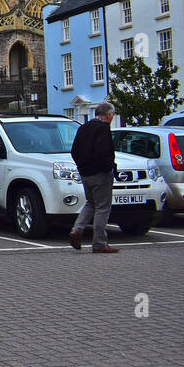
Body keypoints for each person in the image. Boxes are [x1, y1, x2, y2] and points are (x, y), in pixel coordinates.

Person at [69, 101, 118, 253]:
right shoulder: (103, 129)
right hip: (100, 174)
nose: (112, 118)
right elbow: (103, 152)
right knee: (102, 208)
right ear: (108, 115)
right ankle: (99, 243)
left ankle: (77, 229)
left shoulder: (84, 127)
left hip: (85, 173)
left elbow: (74, 151)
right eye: (112, 115)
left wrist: (82, 166)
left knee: (90, 203)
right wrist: (108, 167)